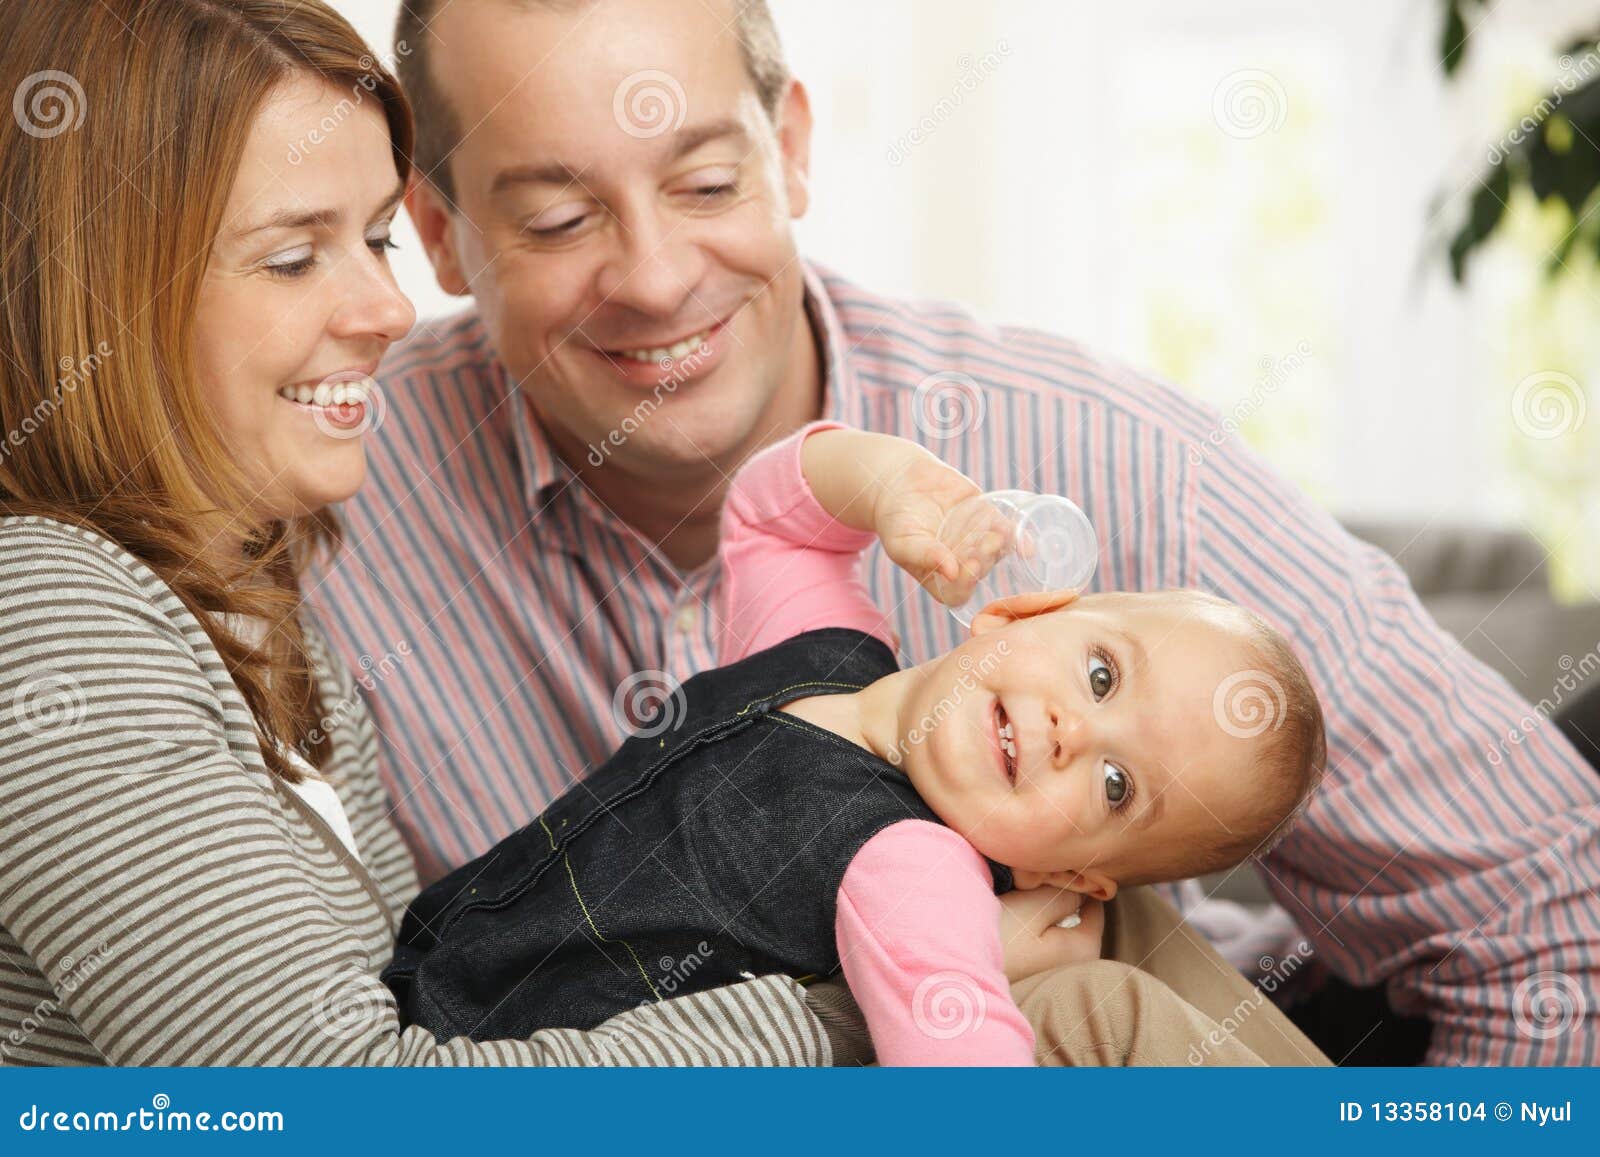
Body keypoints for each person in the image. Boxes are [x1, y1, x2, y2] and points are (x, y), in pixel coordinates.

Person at [309, 0, 1600, 1064]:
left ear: (792, 147)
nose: (653, 277)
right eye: (555, 218)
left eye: (705, 181)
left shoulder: (1112, 452)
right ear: (442, 236)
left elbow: (1547, 923)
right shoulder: (317, 505)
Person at [0, 0, 833, 1066]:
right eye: (295, 257)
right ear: (106, 295)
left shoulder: (260, 616)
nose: (388, 309)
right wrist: (862, 1008)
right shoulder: (50, 608)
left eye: (376, 237)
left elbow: (426, 1020)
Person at [385, 423, 1325, 1064]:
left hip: (503, 1059)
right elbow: (766, 514)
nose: (1071, 731)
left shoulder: (913, 867)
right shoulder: (823, 652)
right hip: (427, 984)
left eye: (1118, 784)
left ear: (1073, 877)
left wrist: (975, 962)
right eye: (1101, 676)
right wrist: (888, 486)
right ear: (1022, 605)